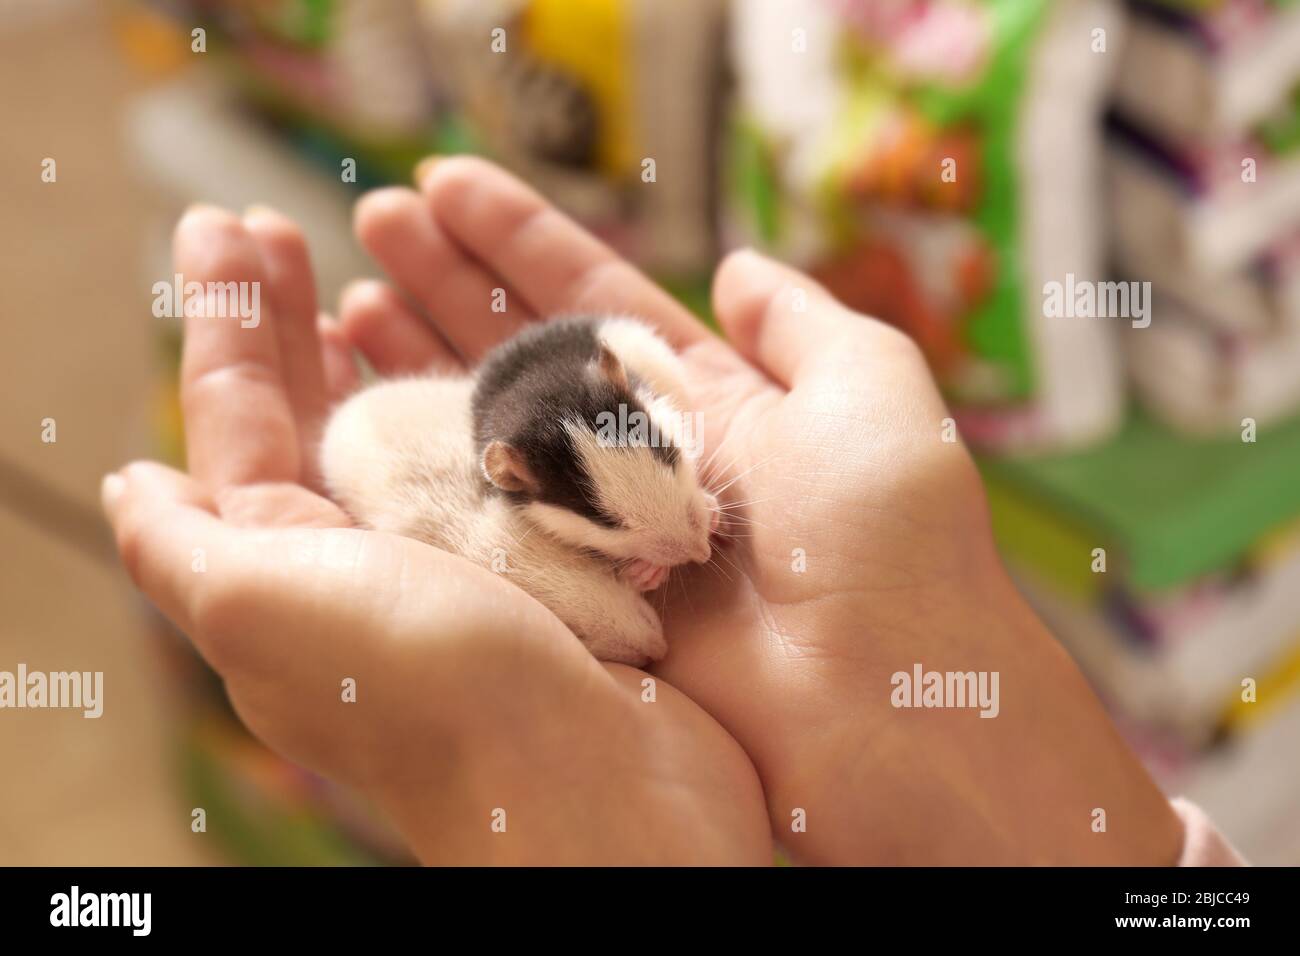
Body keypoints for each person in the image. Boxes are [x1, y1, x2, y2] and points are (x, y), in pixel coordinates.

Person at [101, 156, 1242, 866]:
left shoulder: (630, 385)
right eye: (629, 528)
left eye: (684, 481)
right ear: (513, 484)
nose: (701, 535)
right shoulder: (497, 497)